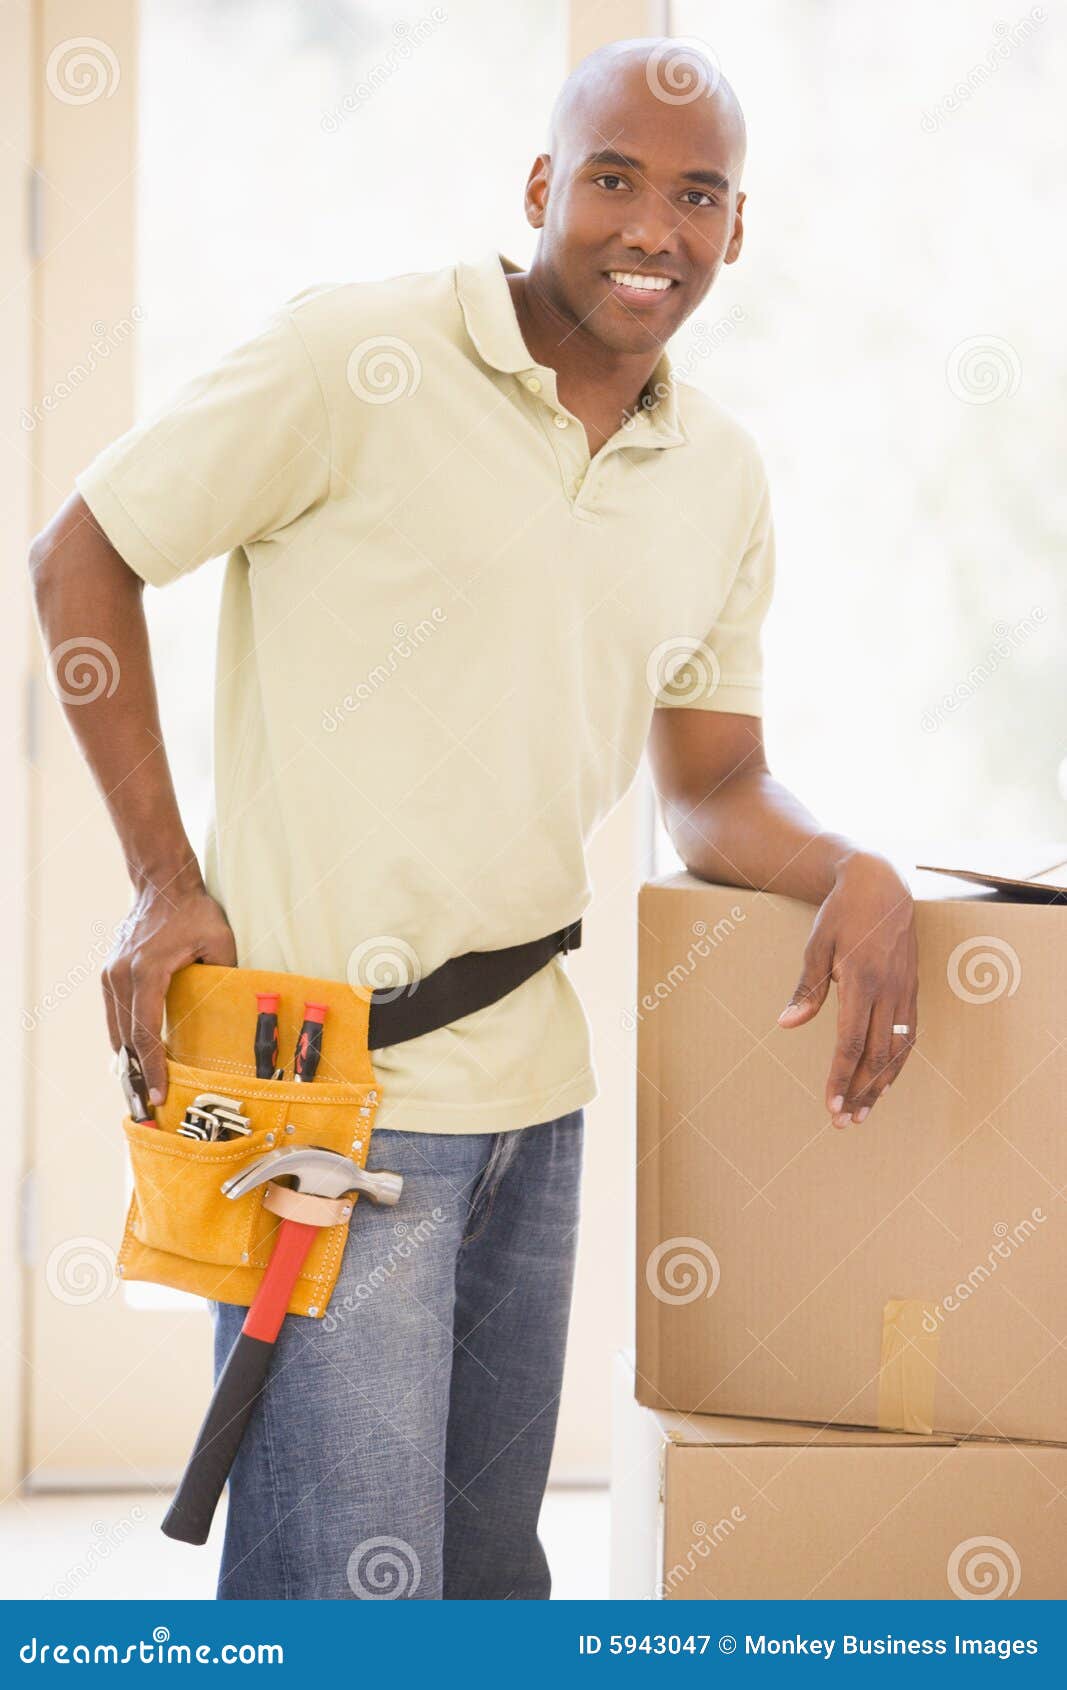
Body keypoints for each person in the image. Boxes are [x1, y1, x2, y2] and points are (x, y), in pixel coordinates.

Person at [28, 37, 918, 1600]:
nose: (655, 227)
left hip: (534, 1097)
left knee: (488, 1580)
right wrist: (165, 880)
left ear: (736, 227)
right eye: (617, 179)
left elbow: (707, 784)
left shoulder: (715, 474)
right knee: (343, 1593)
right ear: (540, 188)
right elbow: (79, 558)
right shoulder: (353, 359)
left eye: (697, 194)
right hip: (320, 1097)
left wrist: (856, 869)